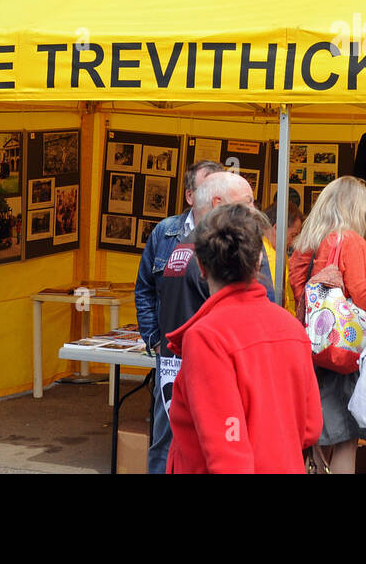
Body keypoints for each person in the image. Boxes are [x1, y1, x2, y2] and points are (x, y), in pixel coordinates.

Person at [164, 203, 322, 473]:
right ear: (259, 260)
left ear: (201, 267)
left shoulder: (207, 336)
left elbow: (227, 453)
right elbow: (310, 427)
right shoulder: (291, 328)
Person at [150, 169, 258, 472]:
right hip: (204, 374)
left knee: (171, 446)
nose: (252, 210)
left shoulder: (185, 246)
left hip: (179, 368)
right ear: (218, 203)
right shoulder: (210, 253)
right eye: (246, 203)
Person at [288, 175, 366, 475]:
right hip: (341, 351)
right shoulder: (351, 241)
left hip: (311, 345)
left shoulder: (306, 241)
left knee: (314, 438)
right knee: (345, 439)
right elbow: (365, 298)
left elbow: (299, 289)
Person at [136, 159, 222, 474]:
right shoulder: (165, 233)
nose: (216, 195)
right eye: (208, 186)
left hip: (214, 355)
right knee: (166, 436)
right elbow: (144, 287)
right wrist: (155, 338)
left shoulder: (230, 235)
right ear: (190, 195)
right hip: (172, 355)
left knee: (211, 436)